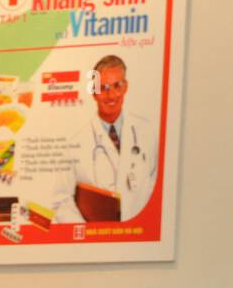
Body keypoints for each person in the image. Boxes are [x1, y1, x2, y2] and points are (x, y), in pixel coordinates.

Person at [51, 54, 158, 222]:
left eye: (117, 86)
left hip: (139, 235)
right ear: (94, 92)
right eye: (104, 88)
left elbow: (156, 183)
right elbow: (61, 201)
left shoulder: (147, 131)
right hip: (96, 240)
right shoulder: (74, 143)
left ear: (125, 87)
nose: (111, 96)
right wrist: (89, 234)